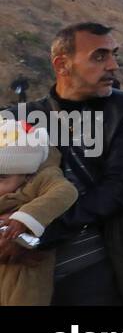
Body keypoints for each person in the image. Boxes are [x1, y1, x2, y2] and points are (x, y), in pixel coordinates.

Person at [1, 23, 123, 304]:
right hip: (19, 273)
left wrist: (37, 233)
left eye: (113, 55)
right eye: (99, 56)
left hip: (97, 265)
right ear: (62, 64)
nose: (113, 65)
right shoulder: (16, 118)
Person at [0, 122, 79, 306]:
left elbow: (66, 192)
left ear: (27, 174)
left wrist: (25, 218)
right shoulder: (17, 179)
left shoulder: (42, 179)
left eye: (2, 178)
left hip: (25, 273)